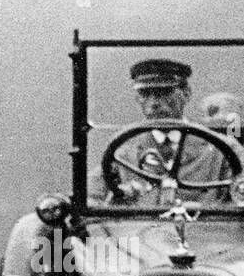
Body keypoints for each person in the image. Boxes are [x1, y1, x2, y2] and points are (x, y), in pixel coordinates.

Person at [89, 59, 236, 203]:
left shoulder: (222, 149)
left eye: (163, 92)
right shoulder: (123, 150)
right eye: (145, 94)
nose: (154, 103)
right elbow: (90, 197)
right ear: (137, 98)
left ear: (186, 93)